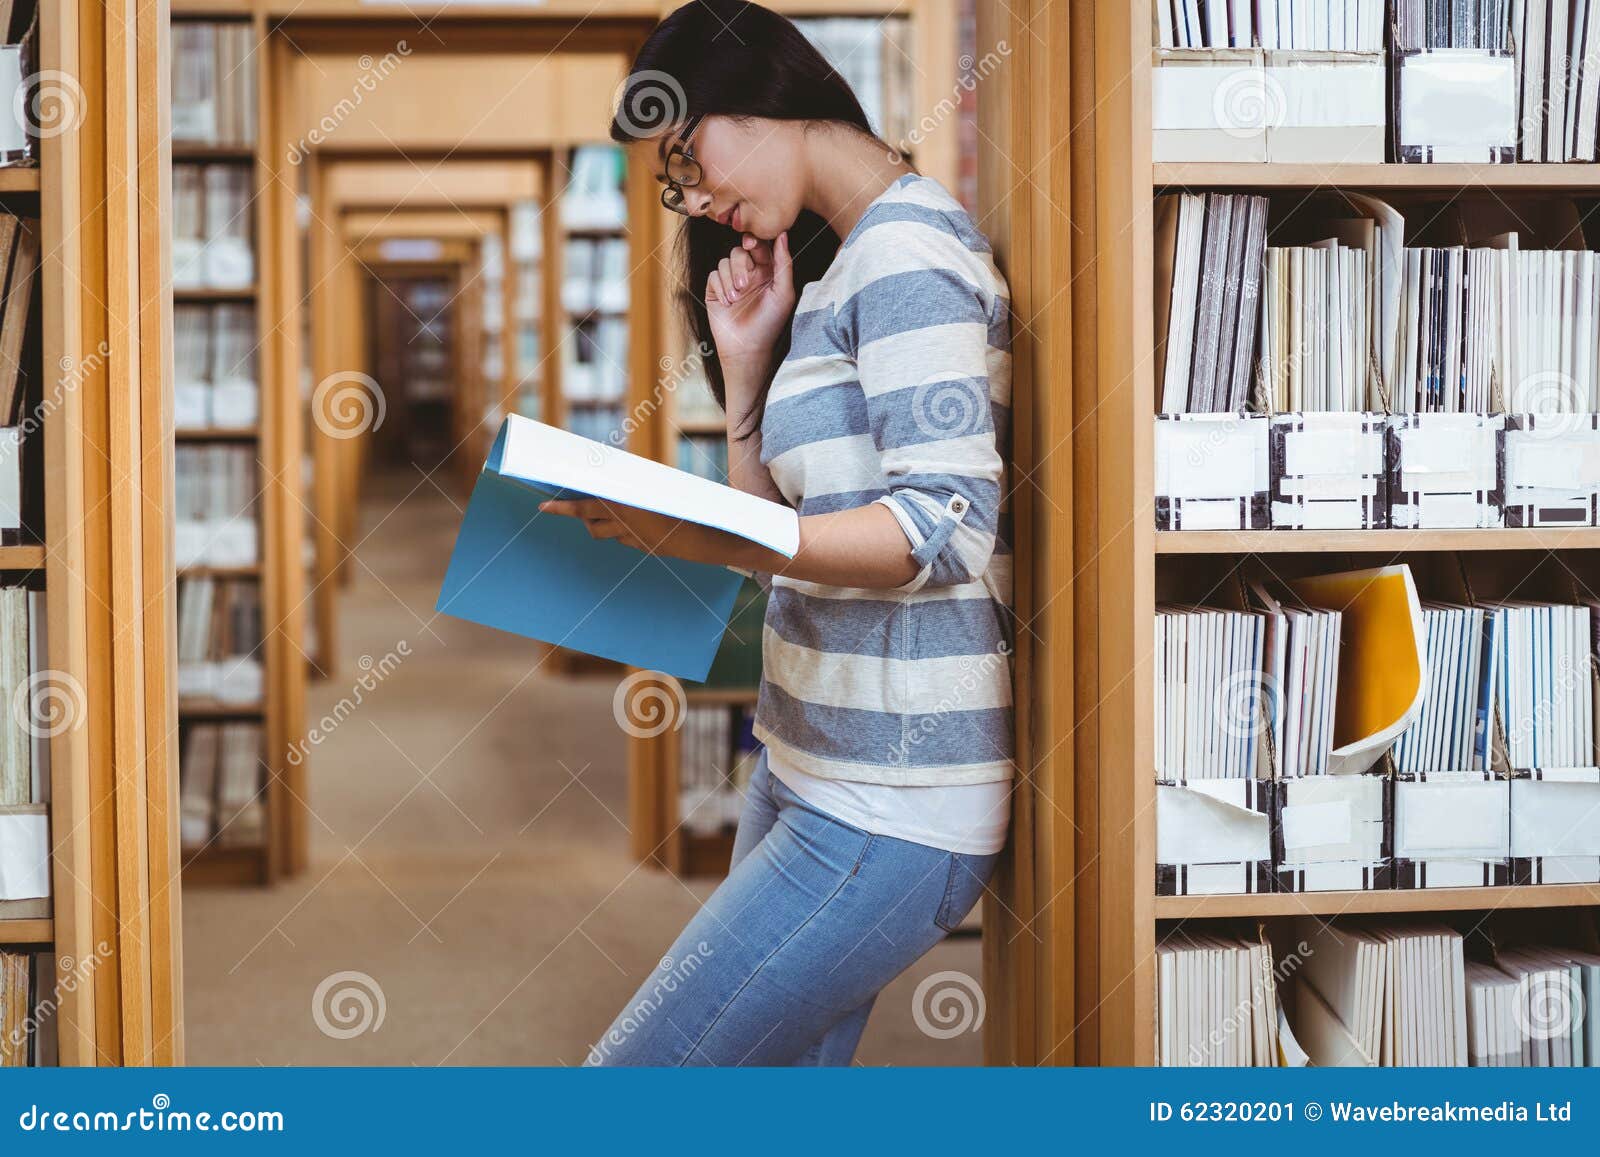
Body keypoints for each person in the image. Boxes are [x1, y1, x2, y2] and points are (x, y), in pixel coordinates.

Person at [544, 0, 1013, 1066]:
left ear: (756, 93)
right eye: (675, 185)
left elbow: (944, 530)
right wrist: (747, 374)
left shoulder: (907, 251)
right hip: (806, 754)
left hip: (892, 793)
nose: (698, 199)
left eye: (689, 161)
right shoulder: (838, 265)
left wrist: (701, 536)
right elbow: (794, 541)